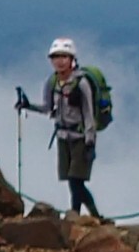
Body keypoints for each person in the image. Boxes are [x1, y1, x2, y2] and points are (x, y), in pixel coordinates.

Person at [16, 37, 102, 219]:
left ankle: (80, 215)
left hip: (80, 137)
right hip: (63, 136)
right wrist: (28, 106)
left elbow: (88, 113)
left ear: (72, 59)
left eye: (64, 57)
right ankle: (91, 216)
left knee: (75, 181)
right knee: (73, 181)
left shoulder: (81, 83)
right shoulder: (52, 82)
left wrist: (90, 140)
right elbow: (48, 108)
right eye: (56, 57)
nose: (59, 61)